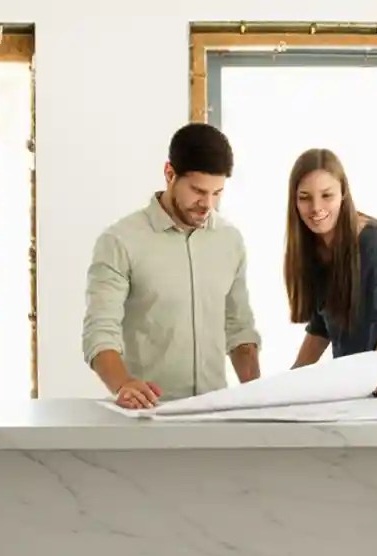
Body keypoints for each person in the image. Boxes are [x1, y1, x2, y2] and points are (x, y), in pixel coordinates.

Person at [82, 123, 261, 409]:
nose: (208, 204)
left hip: (216, 414)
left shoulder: (230, 241)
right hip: (148, 415)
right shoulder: (119, 241)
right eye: (198, 191)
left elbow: (239, 327)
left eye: (217, 193)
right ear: (169, 174)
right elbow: (99, 332)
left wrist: (258, 396)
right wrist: (123, 385)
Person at [284, 148, 377, 396]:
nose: (315, 208)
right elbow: (320, 327)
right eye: (305, 197)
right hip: (352, 391)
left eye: (327, 195)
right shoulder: (311, 248)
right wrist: (288, 383)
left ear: (343, 194)